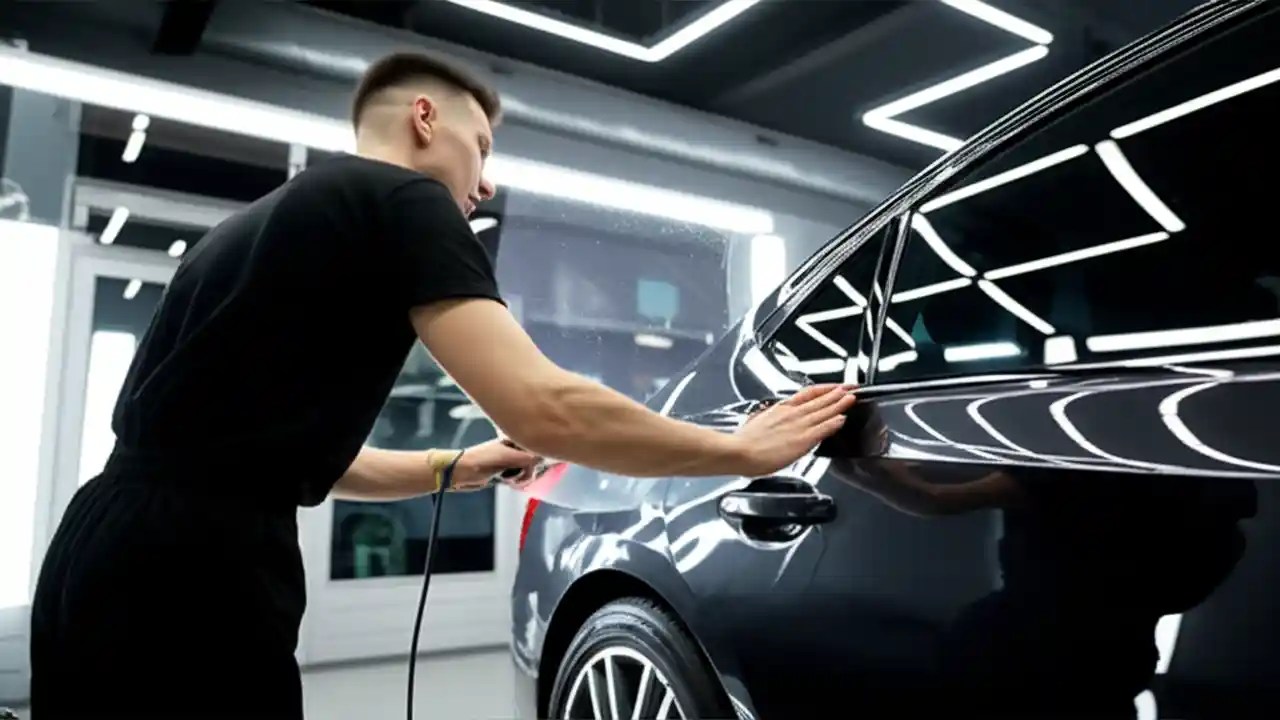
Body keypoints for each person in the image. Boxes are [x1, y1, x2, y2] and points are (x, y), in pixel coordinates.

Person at [29, 51, 857, 718]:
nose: (485, 182)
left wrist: (461, 465)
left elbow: (312, 464)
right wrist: (739, 450)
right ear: (425, 119)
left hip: (99, 549)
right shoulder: (405, 199)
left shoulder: (251, 228)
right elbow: (545, 404)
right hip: (194, 581)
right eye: (482, 146)